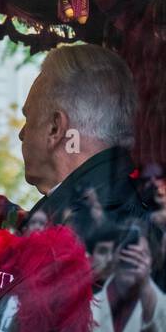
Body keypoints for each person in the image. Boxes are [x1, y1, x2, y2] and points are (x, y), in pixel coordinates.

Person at [17, 44, 152, 241]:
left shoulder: (95, 227)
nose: (22, 134)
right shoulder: (100, 205)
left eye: (28, 119)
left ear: (55, 128)